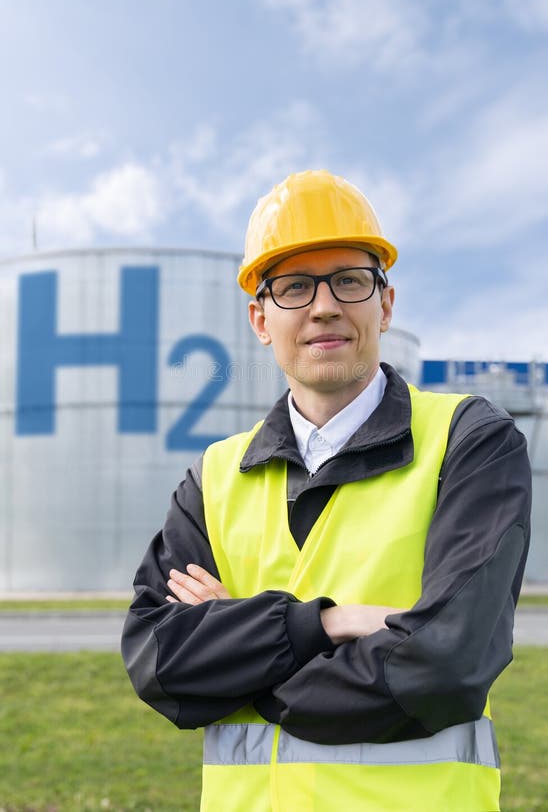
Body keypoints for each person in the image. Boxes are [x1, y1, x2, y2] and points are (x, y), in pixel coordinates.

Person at [122, 169, 531, 811]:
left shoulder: (469, 440)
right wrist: (324, 624)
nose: (323, 306)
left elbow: (446, 664)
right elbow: (159, 661)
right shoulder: (216, 474)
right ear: (261, 319)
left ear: (385, 304)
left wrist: (242, 660)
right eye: (294, 288)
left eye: (348, 280)